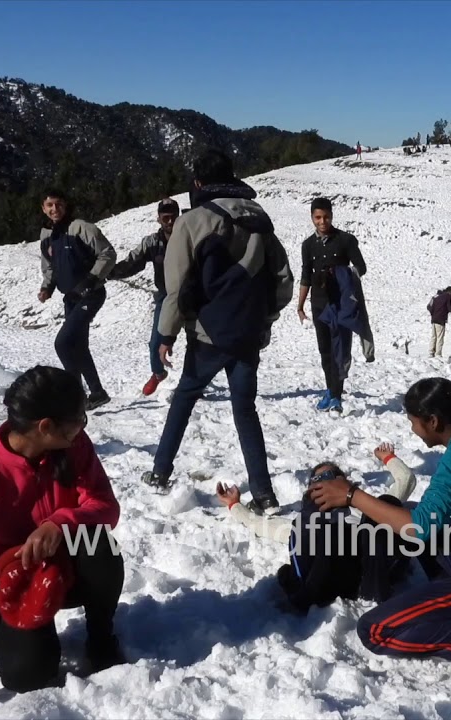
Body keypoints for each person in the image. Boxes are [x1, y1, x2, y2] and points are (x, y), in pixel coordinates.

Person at [0, 366, 125, 720]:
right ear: (45, 426)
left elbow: (106, 507)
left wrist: (60, 523)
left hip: (64, 564)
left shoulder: (73, 445)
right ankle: (36, 640)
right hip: (8, 579)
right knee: (26, 675)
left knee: (100, 546)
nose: (84, 426)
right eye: (79, 419)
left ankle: (100, 637)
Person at [310, 377, 451, 676]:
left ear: (433, 421)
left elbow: (419, 529)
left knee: (374, 630)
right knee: (399, 512)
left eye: (413, 422)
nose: (412, 430)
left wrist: (352, 495)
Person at [141, 149, 294, 513]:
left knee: (184, 398)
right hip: (247, 334)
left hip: (208, 334)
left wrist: (166, 335)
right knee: (245, 409)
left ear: (198, 183)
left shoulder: (193, 221)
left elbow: (176, 288)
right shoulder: (260, 218)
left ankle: (160, 471)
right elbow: (283, 279)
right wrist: (264, 319)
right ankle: (263, 492)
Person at [214, 442, 417, 612]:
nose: (325, 483)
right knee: (307, 526)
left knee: (387, 502)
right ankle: (306, 595)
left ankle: (375, 595)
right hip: (325, 576)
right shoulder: (305, 526)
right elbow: (258, 523)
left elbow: (406, 480)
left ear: (345, 483)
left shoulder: (365, 508)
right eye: (318, 480)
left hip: (366, 570)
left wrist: (388, 457)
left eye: (332, 477)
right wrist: (234, 505)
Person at [38, 189, 117, 410]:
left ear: (66, 205)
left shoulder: (82, 228)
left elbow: (108, 253)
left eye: (59, 204)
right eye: (50, 205)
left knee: (63, 343)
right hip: (70, 298)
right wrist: (47, 287)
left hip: (91, 294)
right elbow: (50, 266)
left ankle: (76, 397)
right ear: (43, 209)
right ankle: (97, 393)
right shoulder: (46, 235)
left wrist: (91, 279)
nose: (55, 209)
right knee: (78, 346)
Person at [297, 197, 368, 413]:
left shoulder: (345, 240)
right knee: (325, 351)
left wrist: (341, 273)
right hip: (319, 305)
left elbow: (361, 267)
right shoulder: (308, 245)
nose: (322, 221)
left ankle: (336, 394)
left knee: (340, 350)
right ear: (312, 218)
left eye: (326, 216)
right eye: (317, 217)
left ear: (332, 216)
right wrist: (300, 306)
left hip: (341, 304)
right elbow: (305, 275)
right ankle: (330, 390)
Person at [110, 197, 179, 396]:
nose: (169, 221)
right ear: (158, 219)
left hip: (190, 295)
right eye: (165, 217)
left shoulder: (187, 237)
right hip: (165, 297)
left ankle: (195, 382)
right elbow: (134, 261)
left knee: (198, 342)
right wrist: (111, 272)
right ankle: (158, 373)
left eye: (173, 217)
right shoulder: (152, 242)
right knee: (156, 342)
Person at [427, 286, 451, 357]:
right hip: (441, 319)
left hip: (434, 319)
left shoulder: (436, 296)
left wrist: (433, 314)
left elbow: (429, 307)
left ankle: (431, 352)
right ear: (450, 292)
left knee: (434, 336)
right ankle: (438, 353)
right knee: (440, 337)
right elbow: (449, 308)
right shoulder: (447, 297)